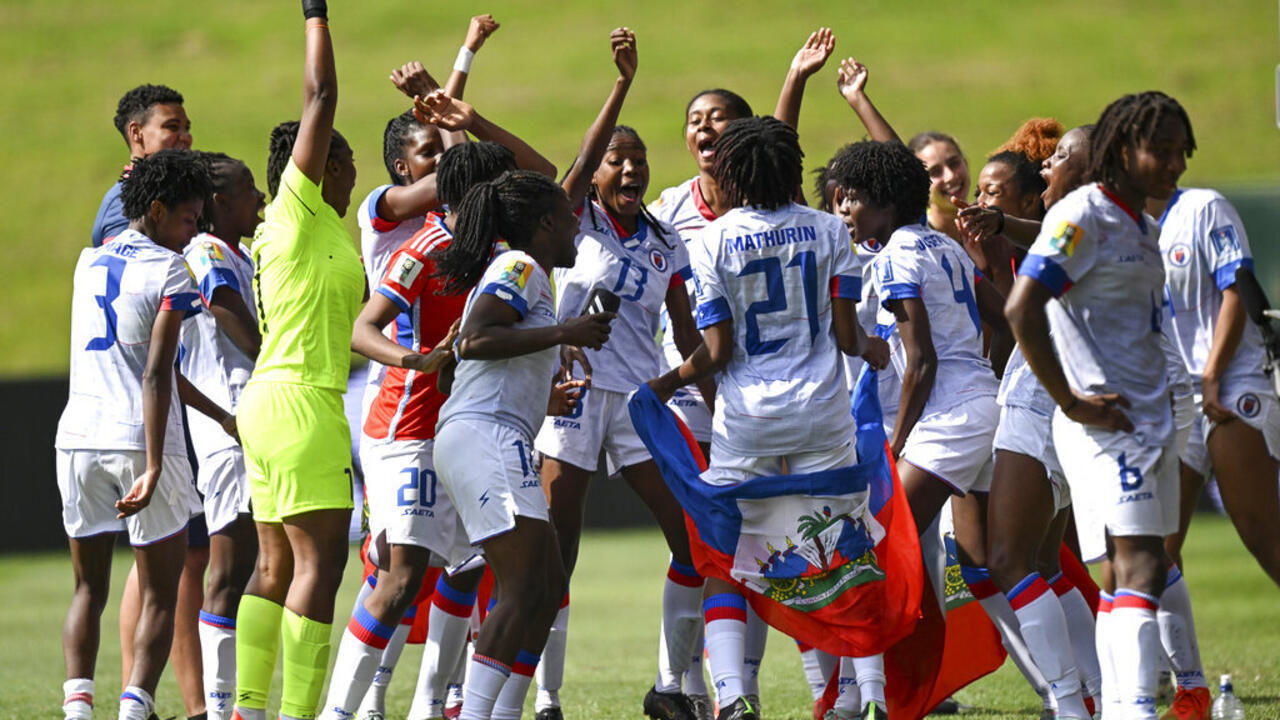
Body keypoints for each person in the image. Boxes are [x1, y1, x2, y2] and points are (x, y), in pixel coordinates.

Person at [647, 115, 885, 720]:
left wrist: (666, 383)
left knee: (725, 556)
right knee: (843, 547)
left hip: (746, 421)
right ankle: (866, 696)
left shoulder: (711, 240)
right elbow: (847, 335)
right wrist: (872, 349)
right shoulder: (829, 229)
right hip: (822, 412)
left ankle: (733, 696)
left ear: (732, 173)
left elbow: (717, 351)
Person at [1006, 91, 1197, 720]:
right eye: (1161, 150)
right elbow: (1022, 307)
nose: (1175, 164)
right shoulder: (1081, 214)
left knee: (1125, 575)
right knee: (1140, 566)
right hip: (1110, 429)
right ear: (1123, 149)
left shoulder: (1140, 224)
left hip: (1149, 424)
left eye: (1182, 152)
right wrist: (1070, 400)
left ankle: (1120, 707)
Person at [532, 54, 706, 720]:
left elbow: (687, 335)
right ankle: (546, 698)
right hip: (574, 394)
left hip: (638, 400)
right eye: (616, 159)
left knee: (690, 536)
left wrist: (718, 405)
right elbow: (577, 164)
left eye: (639, 159)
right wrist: (622, 84)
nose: (630, 168)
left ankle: (669, 687)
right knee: (559, 549)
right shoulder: (575, 220)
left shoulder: (667, 241)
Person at [431, 166, 615, 720]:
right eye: (567, 216)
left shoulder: (525, 274)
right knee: (521, 585)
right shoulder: (521, 266)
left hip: (493, 433)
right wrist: (565, 332)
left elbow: (451, 371)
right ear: (544, 223)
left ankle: (503, 711)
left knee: (547, 584)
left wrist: (538, 399)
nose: (577, 225)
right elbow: (476, 339)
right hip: (485, 437)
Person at [57, 148, 228, 720]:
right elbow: (156, 374)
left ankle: (77, 709)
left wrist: (218, 415)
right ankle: (134, 710)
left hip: (78, 439)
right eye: (188, 218)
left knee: (88, 589)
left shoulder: (87, 262)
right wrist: (155, 465)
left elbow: (153, 369)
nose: (192, 232)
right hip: (142, 439)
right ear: (156, 210)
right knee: (161, 590)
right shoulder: (172, 270)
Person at [231, 3, 365, 718]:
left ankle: (248, 708)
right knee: (322, 563)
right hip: (303, 401)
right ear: (327, 167)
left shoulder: (311, 234)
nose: (352, 179)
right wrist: (317, 14)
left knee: (276, 564)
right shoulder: (298, 209)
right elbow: (321, 95)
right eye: (348, 167)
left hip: (269, 401)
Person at [179, 151, 266, 720]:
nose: (259, 197)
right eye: (248, 187)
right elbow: (224, 306)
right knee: (229, 569)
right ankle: (219, 708)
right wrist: (273, 354)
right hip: (229, 425)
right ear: (218, 202)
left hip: (250, 419)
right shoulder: (206, 250)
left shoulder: (239, 252)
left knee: (256, 564)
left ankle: (238, 704)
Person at [93, 84, 194, 247]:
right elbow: (123, 261)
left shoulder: (176, 193)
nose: (186, 137)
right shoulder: (122, 203)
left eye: (187, 128)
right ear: (136, 132)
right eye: (172, 127)